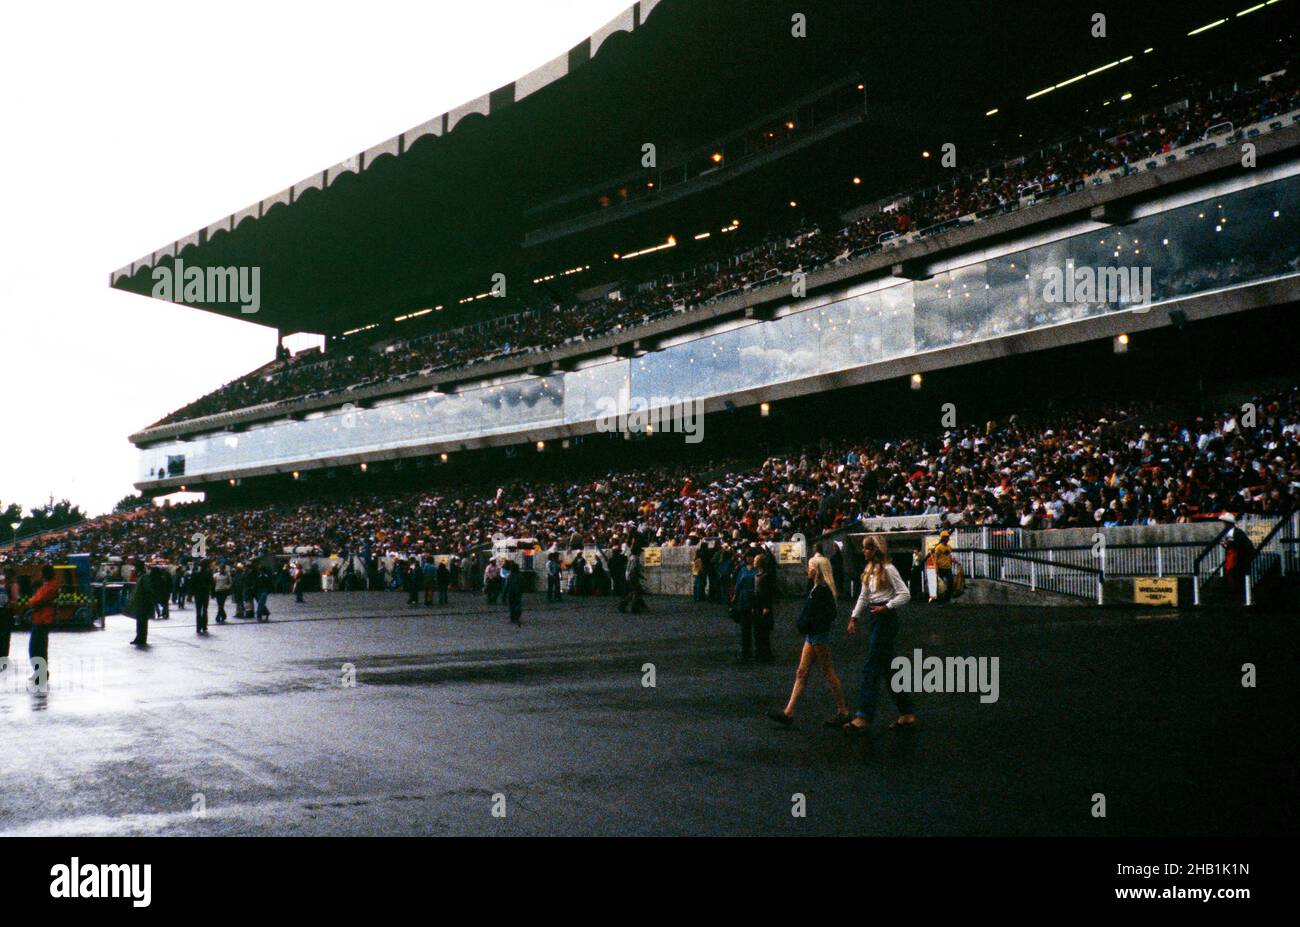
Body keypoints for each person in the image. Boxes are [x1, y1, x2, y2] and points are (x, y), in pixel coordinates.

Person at [844, 536, 916, 733]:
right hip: (875, 618)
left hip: (886, 619)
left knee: (871, 667)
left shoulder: (889, 570)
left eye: (867, 549)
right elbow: (864, 596)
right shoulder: (869, 570)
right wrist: (854, 617)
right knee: (888, 669)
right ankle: (907, 713)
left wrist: (887, 606)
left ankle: (864, 716)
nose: (864, 551)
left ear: (875, 550)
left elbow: (905, 594)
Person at [768, 561, 850, 727]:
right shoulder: (818, 588)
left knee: (827, 671)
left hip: (817, 635)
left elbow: (828, 614)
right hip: (813, 635)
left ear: (816, 570)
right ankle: (788, 713)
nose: (808, 569)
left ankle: (844, 711)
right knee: (802, 672)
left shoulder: (821, 590)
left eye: (810, 566)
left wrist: (810, 625)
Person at [26, 565, 60, 686]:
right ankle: (40, 672)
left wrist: (32, 600)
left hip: (42, 619)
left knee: (35, 648)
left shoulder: (48, 587)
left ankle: (40, 672)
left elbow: (35, 601)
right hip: (43, 618)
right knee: (40, 647)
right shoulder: (50, 585)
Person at [731, 553, 757, 661]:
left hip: (754, 598)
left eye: (751, 556)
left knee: (755, 626)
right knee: (744, 626)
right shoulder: (742, 569)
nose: (750, 558)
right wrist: (735, 596)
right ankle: (746, 649)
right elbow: (738, 584)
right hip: (744, 598)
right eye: (748, 556)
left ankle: (753, 648)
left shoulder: (756, 569)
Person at [1221, 514, 1255, 595]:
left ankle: (1237, 590)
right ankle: (1233, 589)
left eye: (1226, 523)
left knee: (1236, 572)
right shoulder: (1228, 532)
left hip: (1239, 555)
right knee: (1230, 571)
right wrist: (1225, 544)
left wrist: (1228, 544)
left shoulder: (1238, 532)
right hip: (1231, 555)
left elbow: (1240, 544)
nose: (1225, 524)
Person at [751, 553, 776, 664]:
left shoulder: (765, 576)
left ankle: (765, 653)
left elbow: (768, 592)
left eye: (756, 560)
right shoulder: (759, 575)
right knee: (758, 629)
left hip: (763, 604)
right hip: (757, 604)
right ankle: (760, 652)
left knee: (763, 630)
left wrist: (766, 606)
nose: (754, 562)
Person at [129, 559, 155, 647]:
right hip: (140, 603)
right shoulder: (141, 577)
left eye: (135, 568)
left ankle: (141, 638)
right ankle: (139, 638)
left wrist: (147, 601)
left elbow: (147, 590)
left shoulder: (144, 577)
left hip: (143, 603)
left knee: (142, 621)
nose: (134, 570)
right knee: (140, 621)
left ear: (138, 568)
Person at [618, 544, 646, 614]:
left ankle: (625, 605)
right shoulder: (635, 558)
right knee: (635, 592)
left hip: (629, 576)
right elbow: (634, 569)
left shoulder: (631, 557)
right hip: (632, 577)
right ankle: (632, 607)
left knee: (634, 592)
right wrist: (640, 576)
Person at [191, 560, 214, 635]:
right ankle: (204, 626)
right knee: (205, 610)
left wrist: (191, 593)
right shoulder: (209, 573)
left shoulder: (195, 573)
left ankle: (198, 627)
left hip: (197, 594)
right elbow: (212, 584)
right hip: (205, 593)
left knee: (198, 611)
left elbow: (192, 584)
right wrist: (213, 593)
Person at [932, 530, 954, 604]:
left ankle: (947, 599)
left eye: (948, 537)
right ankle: (940, 601)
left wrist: (955, 561)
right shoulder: (938, 548)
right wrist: (936, 569)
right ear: (943, 538)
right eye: (947, 537)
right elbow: (935, 559)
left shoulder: (949, 547)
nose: (948, 539)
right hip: (941, 568)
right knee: (941, 586)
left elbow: (949, 556)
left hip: (948, 568)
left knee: (950, 582)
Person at [502, 560, 522, 624]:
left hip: (510, 592)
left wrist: (504, 595)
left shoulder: (509, 577)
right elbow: (524, 584)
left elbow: (506, 586)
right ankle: (517, 617)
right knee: (517, 604)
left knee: (511, 606)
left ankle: (512, 617)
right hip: (518, 592)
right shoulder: (520, 576)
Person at [0, 572, 12, 666]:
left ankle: (3, 655)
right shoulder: (5, 589)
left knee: (4, 635)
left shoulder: (6, 589)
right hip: (5, 612)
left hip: (4, 613)